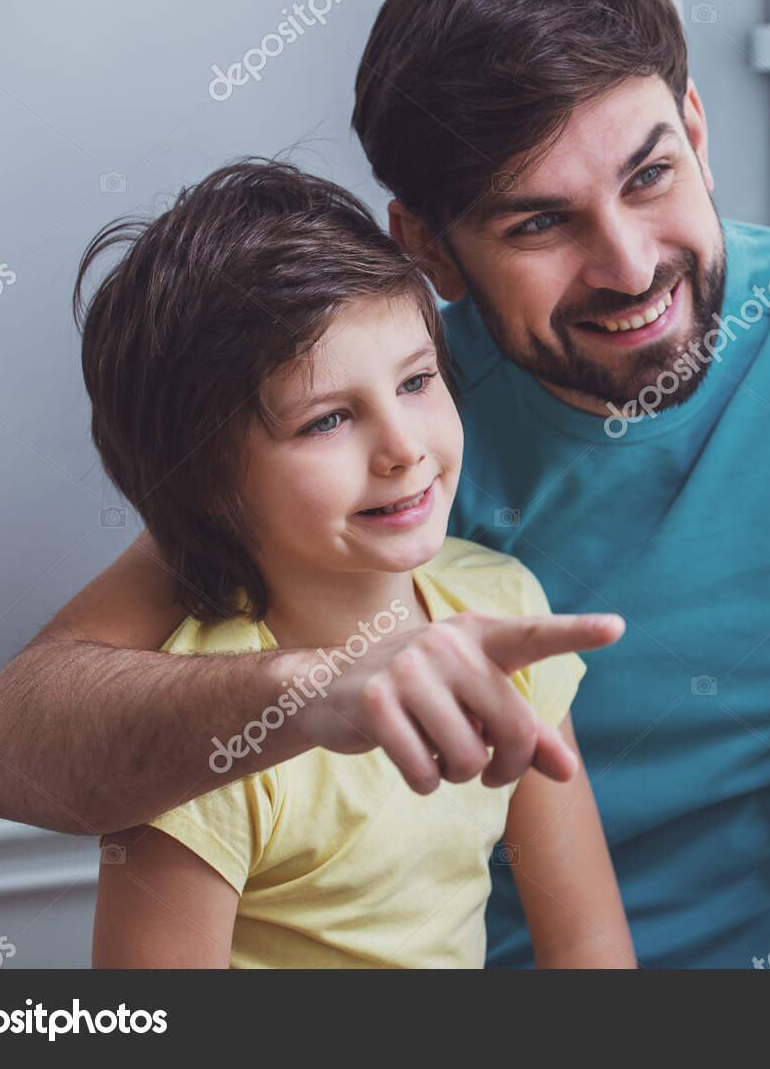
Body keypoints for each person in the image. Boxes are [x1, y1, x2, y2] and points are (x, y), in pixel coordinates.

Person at [0, 0, 770, 968]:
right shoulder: (393, 423)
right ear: (429, 250)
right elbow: (2, 753)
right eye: (538, 224)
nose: (629, 267)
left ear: (696, 133)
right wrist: (319, 687)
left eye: (650, 175)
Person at [79, 160, 632, 967]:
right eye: (327, 420)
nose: (403, 447)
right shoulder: (202, 730)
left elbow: (586, 942)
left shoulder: (503, 606)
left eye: (416, 380)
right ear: (205, 484)